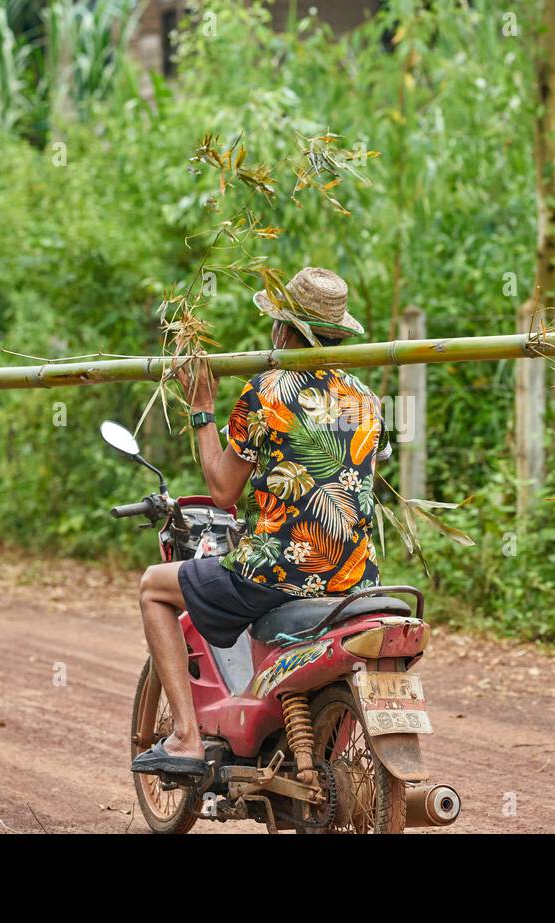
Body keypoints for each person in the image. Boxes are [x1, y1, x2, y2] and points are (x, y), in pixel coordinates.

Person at [131, 267, 387, 775]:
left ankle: (185, 738)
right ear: (338, 338)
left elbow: (224, 493)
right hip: (355, 577)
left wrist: (201, 408)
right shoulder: (366, 399)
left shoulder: (265, 392)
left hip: (279, 575)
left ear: (284, 331)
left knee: (153, 588)